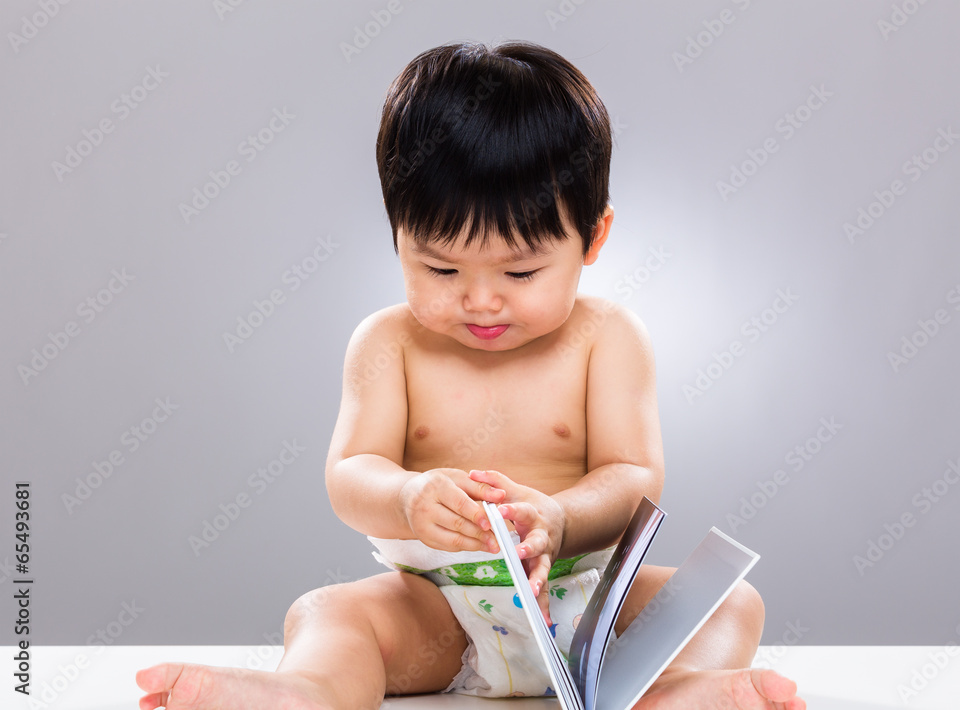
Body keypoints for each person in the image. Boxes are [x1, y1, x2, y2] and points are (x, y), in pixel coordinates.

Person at [136, 40, 805, 710]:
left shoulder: (608, 338)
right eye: (442, 270)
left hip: (589, 606)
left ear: (592, 240)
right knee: (326, 613)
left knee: (728, 603)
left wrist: (560, 517)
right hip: (438, 614)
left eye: (519, 273)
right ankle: (307, 691)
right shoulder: (388, 342)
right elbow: (350, 472)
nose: (480, 300)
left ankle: (674, 690)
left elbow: (634, 478)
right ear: (398, 234)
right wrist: (407, 497)